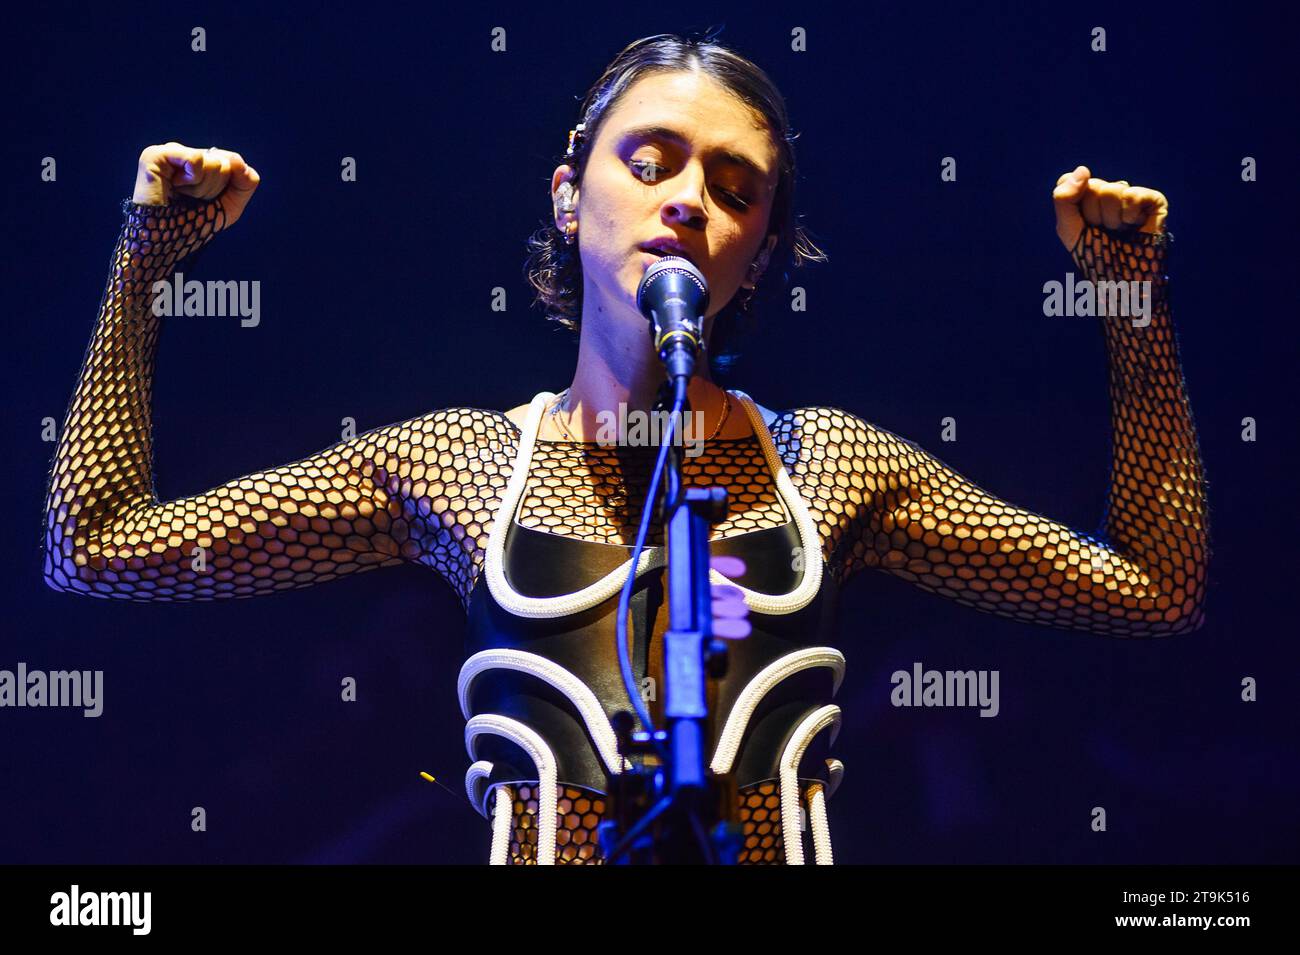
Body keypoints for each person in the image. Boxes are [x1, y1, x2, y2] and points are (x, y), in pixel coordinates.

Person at [41, 34, 1209, 865]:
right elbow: (93, 549)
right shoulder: (461, 465)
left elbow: (1153, 591)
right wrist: (146, 259)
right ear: (569, 194)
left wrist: (1129, 299)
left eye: (734, 184)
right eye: (648, 160)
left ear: (760, 249)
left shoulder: (834, 468)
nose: (688, 198)